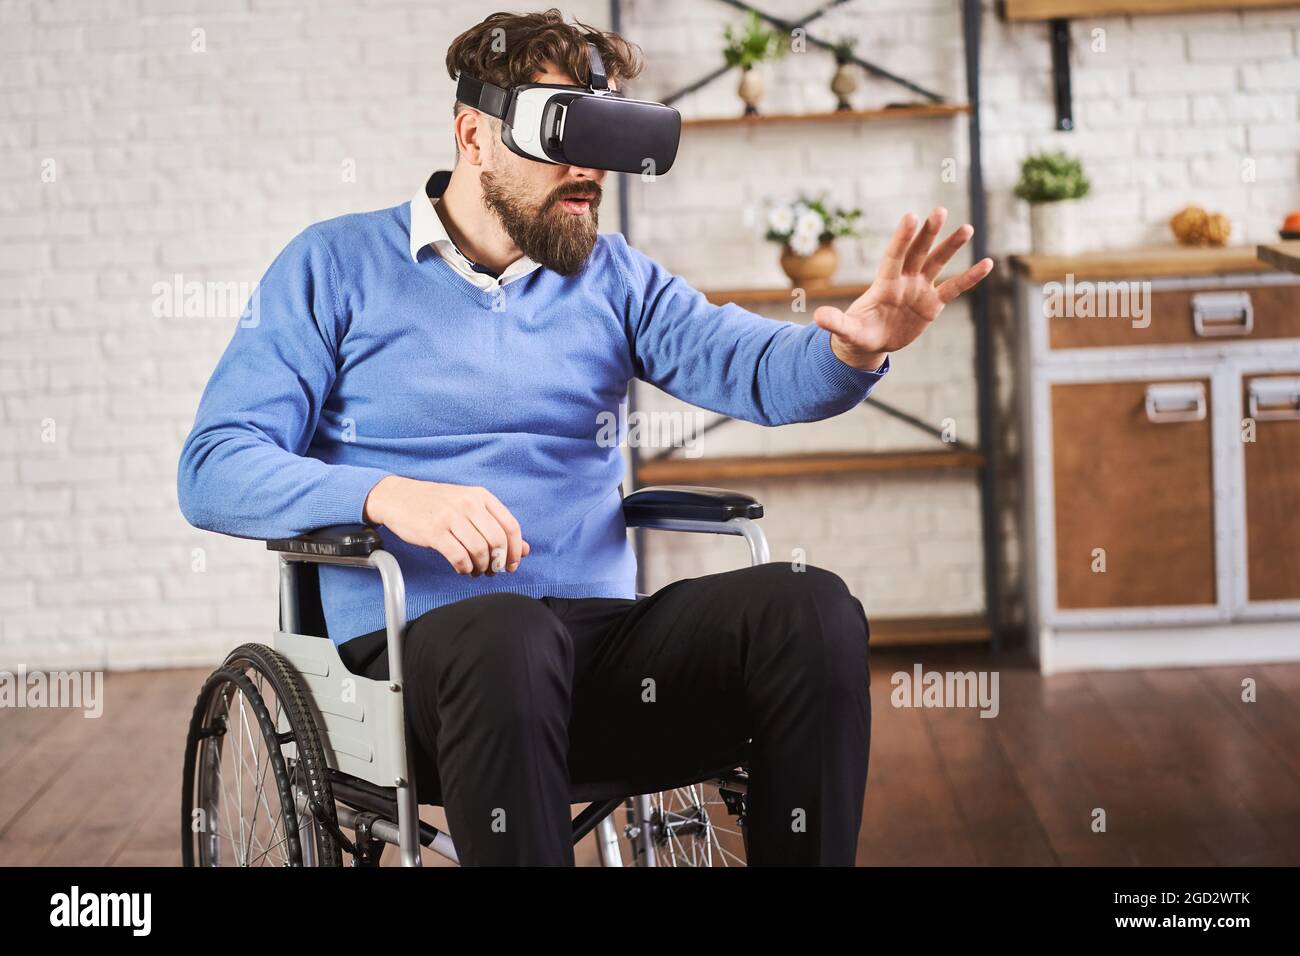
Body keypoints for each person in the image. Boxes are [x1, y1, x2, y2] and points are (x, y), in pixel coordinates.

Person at [177, 8, 994, 866]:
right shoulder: (333, 266)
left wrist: (848, 349)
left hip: (599, 655)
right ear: (475, 137)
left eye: (604, 137)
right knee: (509, 637)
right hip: (411, 671)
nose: (588, 170)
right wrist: (387, 496)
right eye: (561, 134)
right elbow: (214, 463)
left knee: (809, 606)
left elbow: (751, 364)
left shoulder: (613, 278)